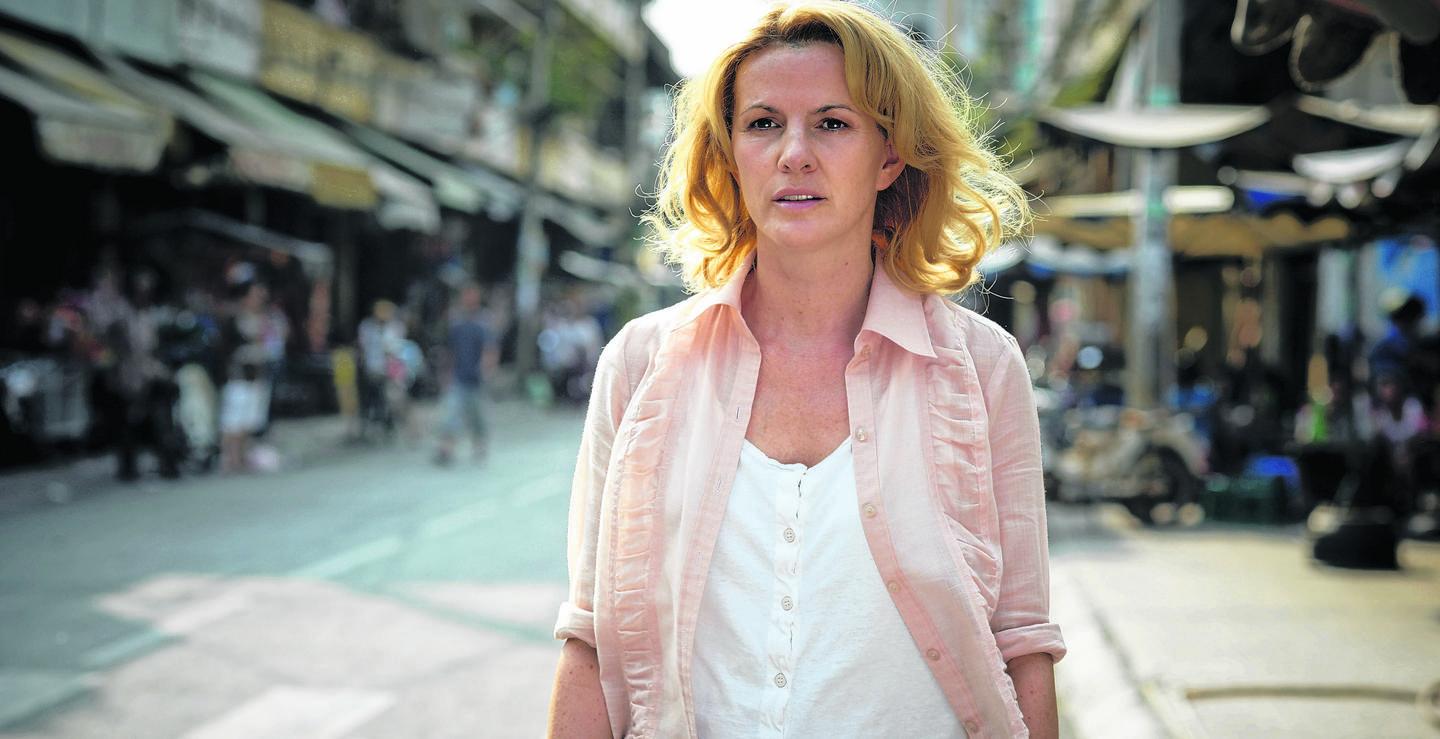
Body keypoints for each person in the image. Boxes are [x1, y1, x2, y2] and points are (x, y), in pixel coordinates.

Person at [547, 3, 1064, 737]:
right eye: (763, 123)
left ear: (889, 156)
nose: (794, 153)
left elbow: (1022, 640)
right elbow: (591, 637)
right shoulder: (642, 363)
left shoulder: (983, 368)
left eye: (832, 123)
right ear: (730, 153)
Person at [434, 281, 497, 465]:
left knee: (477, 416)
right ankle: (446, 448)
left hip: (477, 379)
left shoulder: (484, 320)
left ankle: (479, 446)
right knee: (451, 412)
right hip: (458, 376)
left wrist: (487, 369)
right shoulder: (455, 321)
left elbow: (490, 348)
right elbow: (449, 350)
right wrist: (445, 373)